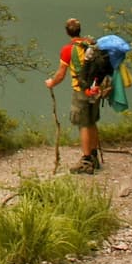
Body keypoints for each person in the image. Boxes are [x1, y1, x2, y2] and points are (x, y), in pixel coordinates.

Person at [44, 18, 105, 174]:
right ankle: (93, 156)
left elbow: (60, 74)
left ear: (67, 32)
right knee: (92, 121)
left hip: (81, 91)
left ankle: (85, 161)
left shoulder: (68, 50)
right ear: (80, 30)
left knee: (83, 124)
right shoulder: (91, 45)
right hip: (96, 89)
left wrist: (51, 83)